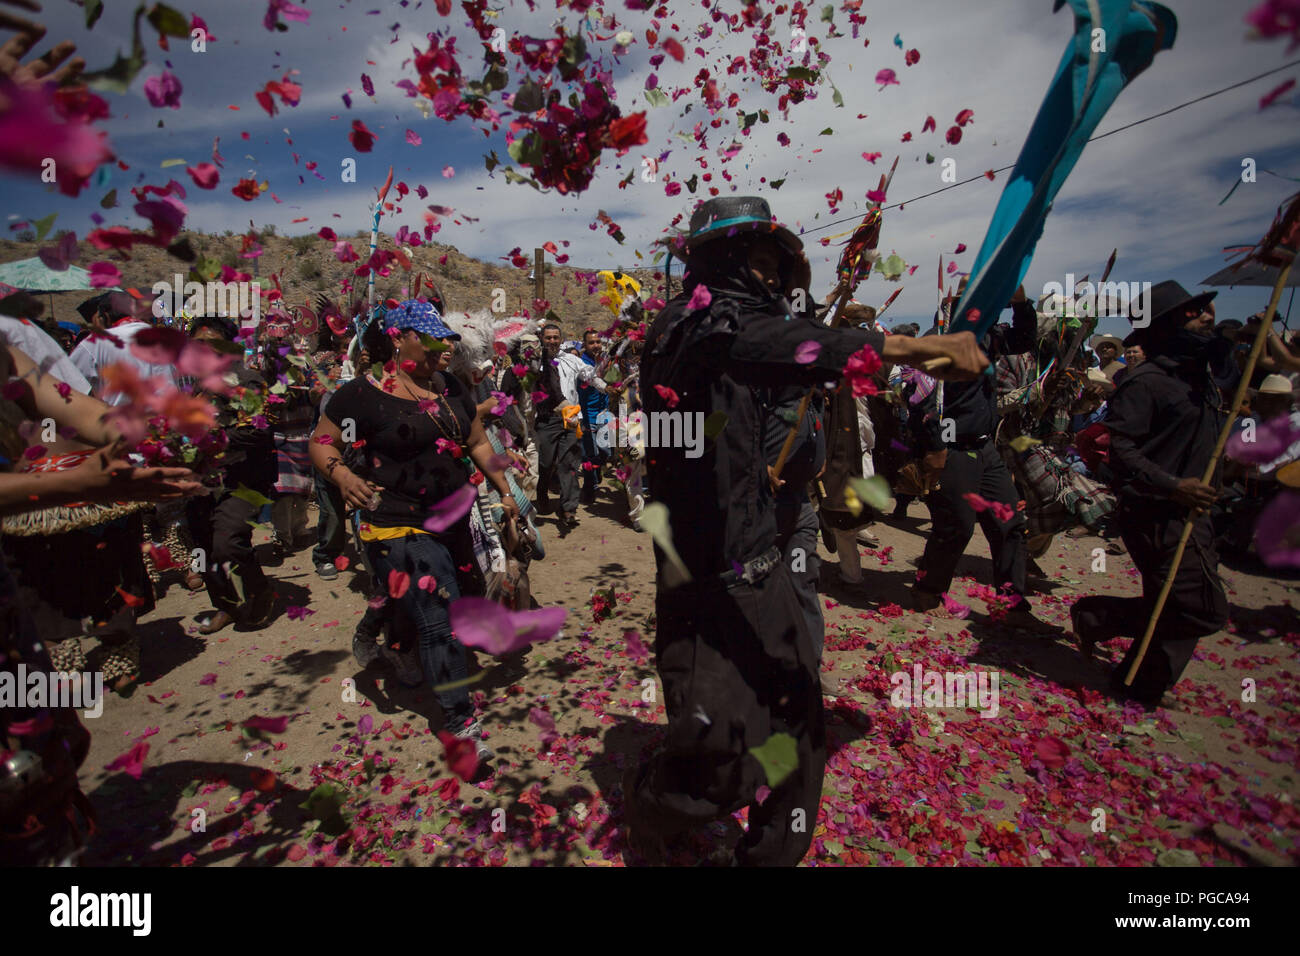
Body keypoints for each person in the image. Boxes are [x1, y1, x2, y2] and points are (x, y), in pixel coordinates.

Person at [625, 196, 988, 866]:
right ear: (722, 262)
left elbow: (778, 362)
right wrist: (911, 348)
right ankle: (651, 812)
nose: (773, 281)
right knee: (719, 763)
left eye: (777, 267)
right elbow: (766, 342)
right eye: (760, 263)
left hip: (765, 570)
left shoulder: (744, 334)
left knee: (797, 730)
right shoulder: (684, 329)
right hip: (703, 588)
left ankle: (767, 858)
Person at [310, 300, 519, 761]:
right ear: (398, 339)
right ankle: (461, 723)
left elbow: (477, 440)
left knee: (458, 599)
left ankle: (390, 635)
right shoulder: (360, 397)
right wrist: (342, 476)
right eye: (430, 337)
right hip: (396, 524)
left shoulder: (451, 388)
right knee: (439, 616)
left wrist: (508, 491)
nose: (445, 346)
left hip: (453, 518)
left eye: (446, 337)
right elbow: (323, 442)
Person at [1071, 280, 1229, 707]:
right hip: (1156, 512)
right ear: (1165, 325)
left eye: (1206, 310)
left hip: (1197, 509)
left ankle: (1142, 682)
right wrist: (1175, 485)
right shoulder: (1146, 382)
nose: (1208, 317)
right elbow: (1121, 450)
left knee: (1174, 601)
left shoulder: (1201, 379)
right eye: (1193, 313)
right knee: (1200, 607)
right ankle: (1099, 616)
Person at [908, 283, 1041, 623]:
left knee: (1010, 521)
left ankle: (1012, 601)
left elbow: (1025, 340)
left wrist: (1021, 303)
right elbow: (921, 402)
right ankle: (928, 589)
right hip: (952, 448)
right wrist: (936, 448)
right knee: (956, 526)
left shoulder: (989, 337)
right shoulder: (940, 339)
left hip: (985, 447)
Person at [185, 315, 278, 634]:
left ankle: (260, 592)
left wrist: (212, 433)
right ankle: (225, 605)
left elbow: (258, 432)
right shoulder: (196, 384)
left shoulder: (247, 380)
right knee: (205, 545)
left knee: (228, 542)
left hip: (243, 480)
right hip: (203, 480)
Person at [533, 322, 609, 528]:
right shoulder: (536, 363)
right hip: (547, 420)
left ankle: (568, 508)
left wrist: (607, 388)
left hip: (571, 419)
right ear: (542, 339)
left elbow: (590, 376)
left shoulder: (571, 360)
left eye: (555, 338)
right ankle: (542, 490)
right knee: (547, 463)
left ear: (561, 339)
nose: (552, 341)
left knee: (569, 464)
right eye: (548, 338)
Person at [578, 328, 610, 507]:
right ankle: (588, 488)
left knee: (606, 451)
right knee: (588, 454)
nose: (595, 345)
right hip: (587, 414)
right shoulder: (580, 363)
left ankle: (599, 469)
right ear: (585, 345)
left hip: (604, 413)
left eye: (598, 341)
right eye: (591, 342)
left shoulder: (607, 360)